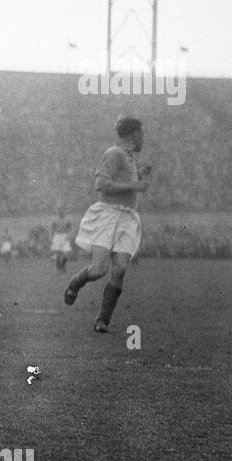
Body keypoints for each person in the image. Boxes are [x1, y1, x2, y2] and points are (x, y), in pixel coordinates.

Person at [64, 117, 152, 332]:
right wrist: (135, 184)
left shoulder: (131, 159)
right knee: (99, 269)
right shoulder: (114, 153)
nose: (143, 138)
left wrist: (140, 178)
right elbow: (100, 184)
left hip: (128, 218)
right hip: (108, 214)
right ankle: (76, 282)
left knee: (120, 269)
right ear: (133, 135)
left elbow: (131, 185)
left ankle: (102, 320)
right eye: (141, 134)